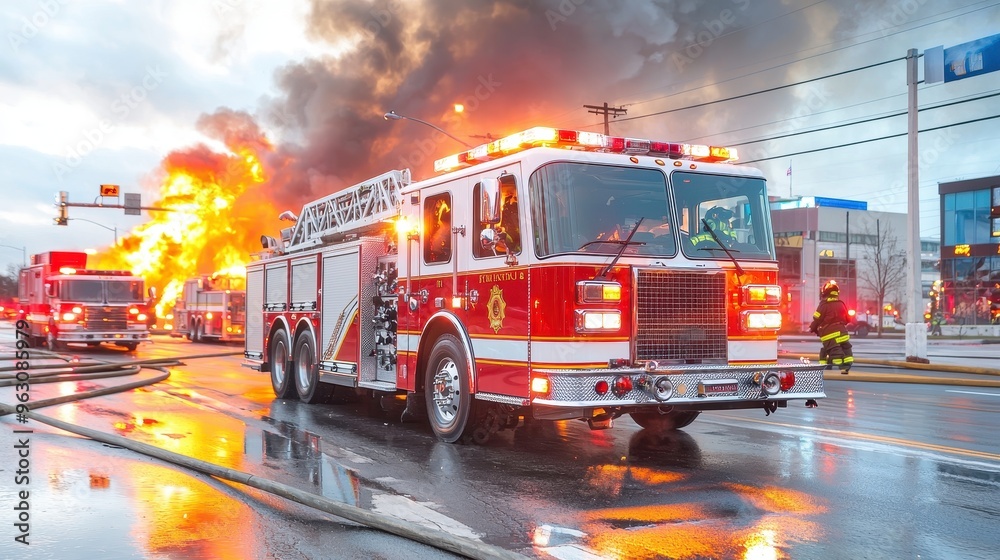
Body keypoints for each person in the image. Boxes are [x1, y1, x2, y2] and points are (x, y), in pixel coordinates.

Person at [808, 280, 854, 374]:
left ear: (824, 293)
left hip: (829, 334)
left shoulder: (824, 305)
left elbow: (817, 319)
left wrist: (812, 328)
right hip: (843, 333)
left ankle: (840, 366)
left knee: (835, 352)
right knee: (845, 348)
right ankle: (845, 366)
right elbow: (848, 319)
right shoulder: (841, 303)